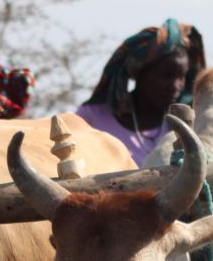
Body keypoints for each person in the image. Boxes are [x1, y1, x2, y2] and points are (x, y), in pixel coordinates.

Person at [76, 19, 206, 165]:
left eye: (182, 77)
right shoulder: (92, 118)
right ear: (139, 72)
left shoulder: (187, 125)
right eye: (166, 75)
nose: (176, 85)